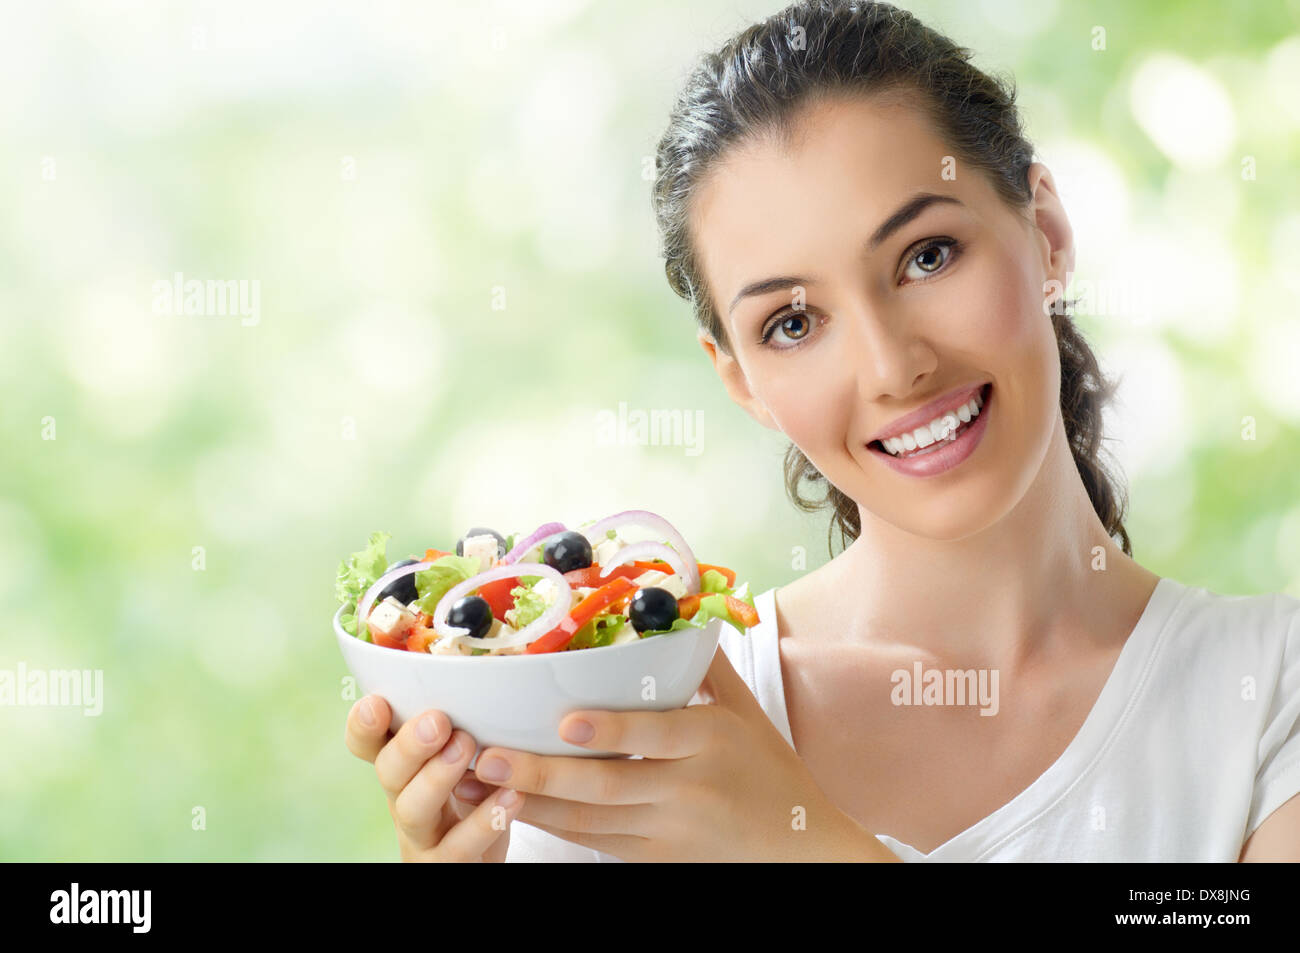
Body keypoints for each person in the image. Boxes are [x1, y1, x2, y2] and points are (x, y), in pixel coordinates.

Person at [344, 0, 1300, 862]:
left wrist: (794, 842)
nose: (893, 367)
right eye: (793, 323)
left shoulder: (1268, 698)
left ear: (1045, 232)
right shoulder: (637, 726)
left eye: (928, 255)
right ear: (742, 381)